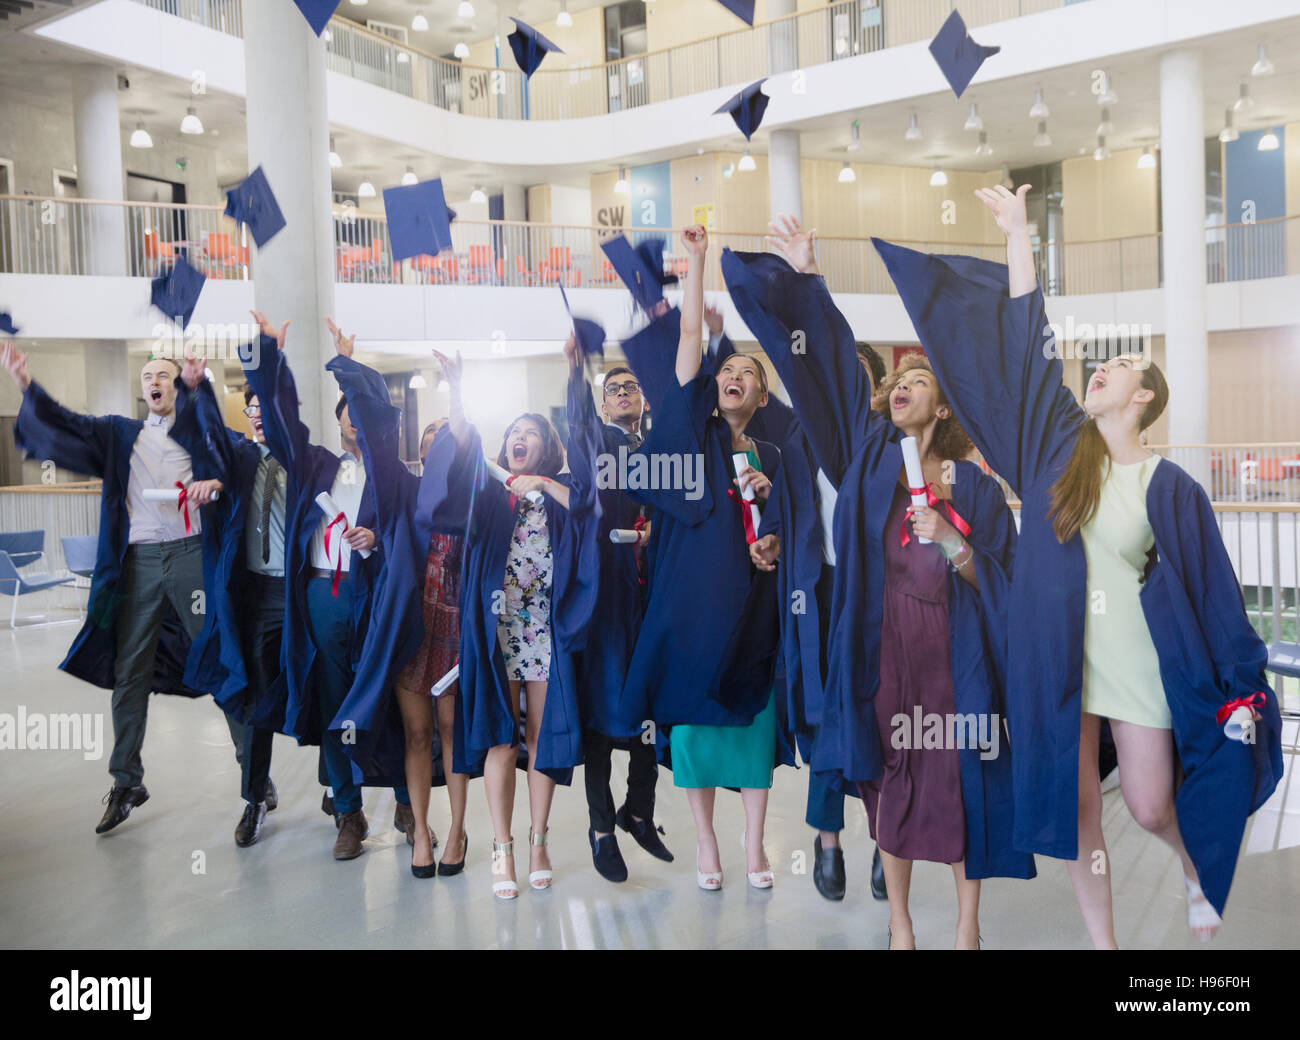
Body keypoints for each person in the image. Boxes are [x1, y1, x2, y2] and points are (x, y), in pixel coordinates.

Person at [873, 184, 1283, 946]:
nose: (1102, 368)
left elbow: (1214, 594)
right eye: (1103, 361)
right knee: (1080, 813)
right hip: (1058, 662)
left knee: (1154, 804)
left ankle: (1194, 870)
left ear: (1145, 396)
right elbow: (1032, 348)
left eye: (1122, 364)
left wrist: (1237, 689)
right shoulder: (1060, 449)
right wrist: (1021, 236)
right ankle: (1107, 948)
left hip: (1132, 662)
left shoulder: (1171, 486)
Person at [724, 218, 1034, 947]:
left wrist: (957, 544)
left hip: (953, 653)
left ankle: (966, 925)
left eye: (918, 381)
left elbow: (1005, 583)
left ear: (945, 405)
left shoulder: (977, 490)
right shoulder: (867, 461)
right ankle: (899, 925)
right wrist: (805, 279)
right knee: (889, 784)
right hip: (883, 645)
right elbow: (830, 365)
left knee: (961, 780)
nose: (901, 388)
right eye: (896, 381)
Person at [3, 342, 250, 833]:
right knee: (128, 670)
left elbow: (225, 451)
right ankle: (126, 780)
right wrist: (26, 384)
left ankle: (254, 776)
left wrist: (201, 393)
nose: (154, 381)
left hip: (188, 555)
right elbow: (67, 421)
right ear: (143, 390)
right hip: (138, 562)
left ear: (176, 385)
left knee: (222, 661)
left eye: (164, 375)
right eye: (147, 377)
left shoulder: (196, 430)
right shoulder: (121, 433)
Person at [621, 225, 787, 891]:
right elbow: (690, 342)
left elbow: (789, 527)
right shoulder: (690, 436)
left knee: (752, 724)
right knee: (690, 729)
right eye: (727, 370)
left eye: (749, 372)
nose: (734, 376)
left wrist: (773, 519)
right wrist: (695, 263)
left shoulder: (774, 457)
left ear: (763, 396)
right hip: (691, 603)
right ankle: (708, 843)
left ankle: (754, 844)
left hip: (752, 603)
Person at [418, 349, 599, 899]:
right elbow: (464, 445)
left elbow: (589, 503)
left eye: (532, 433)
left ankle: (539, 838)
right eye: (514, 432)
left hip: (545, 630)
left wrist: (544, 483)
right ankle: (502, 847)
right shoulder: (490, 493)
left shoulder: (555, 492)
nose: (520, 438)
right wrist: (457, 390)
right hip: (497, 633)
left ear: (547, 448)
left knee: (542, 737)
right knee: (500, 738)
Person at [239, 313, 413, 861]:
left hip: (375, 594)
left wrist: (378, 541)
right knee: (337, 702)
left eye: (366, 413)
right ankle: (347, 809)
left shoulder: (394, 475)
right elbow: (282, 421)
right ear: (340, 422)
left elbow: (409, 535)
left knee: (385, 693)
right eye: (350, 414)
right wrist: (269, 357)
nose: (358, 423)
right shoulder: (316, 466)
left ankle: (408, 800)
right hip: (322, 596)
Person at [325, 322, 465, 879]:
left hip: (454, 631)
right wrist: (352, 374)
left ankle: (455, 830)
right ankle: (421, 838)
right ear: (420, 453)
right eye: (429, 441)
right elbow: (379, 447)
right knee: (416, 734)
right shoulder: (404, 488)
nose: (437, 447)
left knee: (452, 733)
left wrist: (457, 393)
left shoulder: (472, 499)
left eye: (446, 441)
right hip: (411, 627)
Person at [563, 341, 673, 883]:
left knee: (650, 706)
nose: (623, 393)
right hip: (606, 592)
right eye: (613, 389)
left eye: (631, 386)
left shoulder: (661, 448)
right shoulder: (596, 442)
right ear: (604, 405)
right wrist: (576, 369)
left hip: (652, 591)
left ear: (644, 398)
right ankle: (601, 827)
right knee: (605, 718)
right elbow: (577, 422)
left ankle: (640, 810)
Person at [169, 359, 285, 847]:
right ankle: (255, 796)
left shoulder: (308, 458)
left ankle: (345, 803)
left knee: (327, 687)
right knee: (253, 697)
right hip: (255, 595)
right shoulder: (237, 456)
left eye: (266, 407)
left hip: (301, 594)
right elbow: (207, 442)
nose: (257, 415)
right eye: (251, 407)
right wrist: (196, 391)